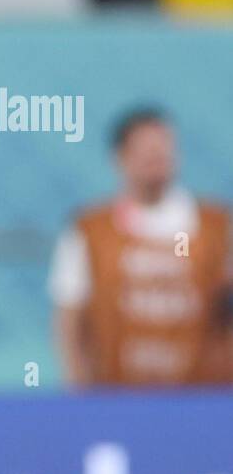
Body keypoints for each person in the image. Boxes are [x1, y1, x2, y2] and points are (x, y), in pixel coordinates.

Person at [49, 108, 233, 386]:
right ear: (120, 158)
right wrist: (79, 394)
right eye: (146, 150)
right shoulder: (90, 231)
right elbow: (68, 321)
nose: (157, 158)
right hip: (117, 402)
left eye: (163, 148)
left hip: (202, 402)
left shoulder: (216, 227)